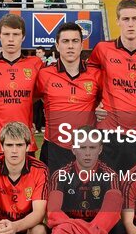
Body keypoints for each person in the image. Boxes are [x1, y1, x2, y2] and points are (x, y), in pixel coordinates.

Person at [87, 0, 136, 170]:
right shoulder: (102, 49)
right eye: (125, 19)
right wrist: (94, 105)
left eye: (135, 19)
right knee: (108, 189)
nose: (130, 24)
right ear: (117, 21)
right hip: (108, 132)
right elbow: (88, 81)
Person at [36, 22, 102, 171]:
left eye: (75, 41)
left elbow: (105, 103)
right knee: (51, 194)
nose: (70, 46)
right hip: (54, 148)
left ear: (81, 45)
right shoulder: (44, 74)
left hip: (86, 150)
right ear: (57, 46)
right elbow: (30, 99)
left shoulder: (96, 75)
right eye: (65, 41)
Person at [0, 15, 44, 164]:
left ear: (23, 37)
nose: (10, 39)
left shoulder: (35, 64)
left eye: (15, 34)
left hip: (24, 142)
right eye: (6, 34)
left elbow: (40, 95)